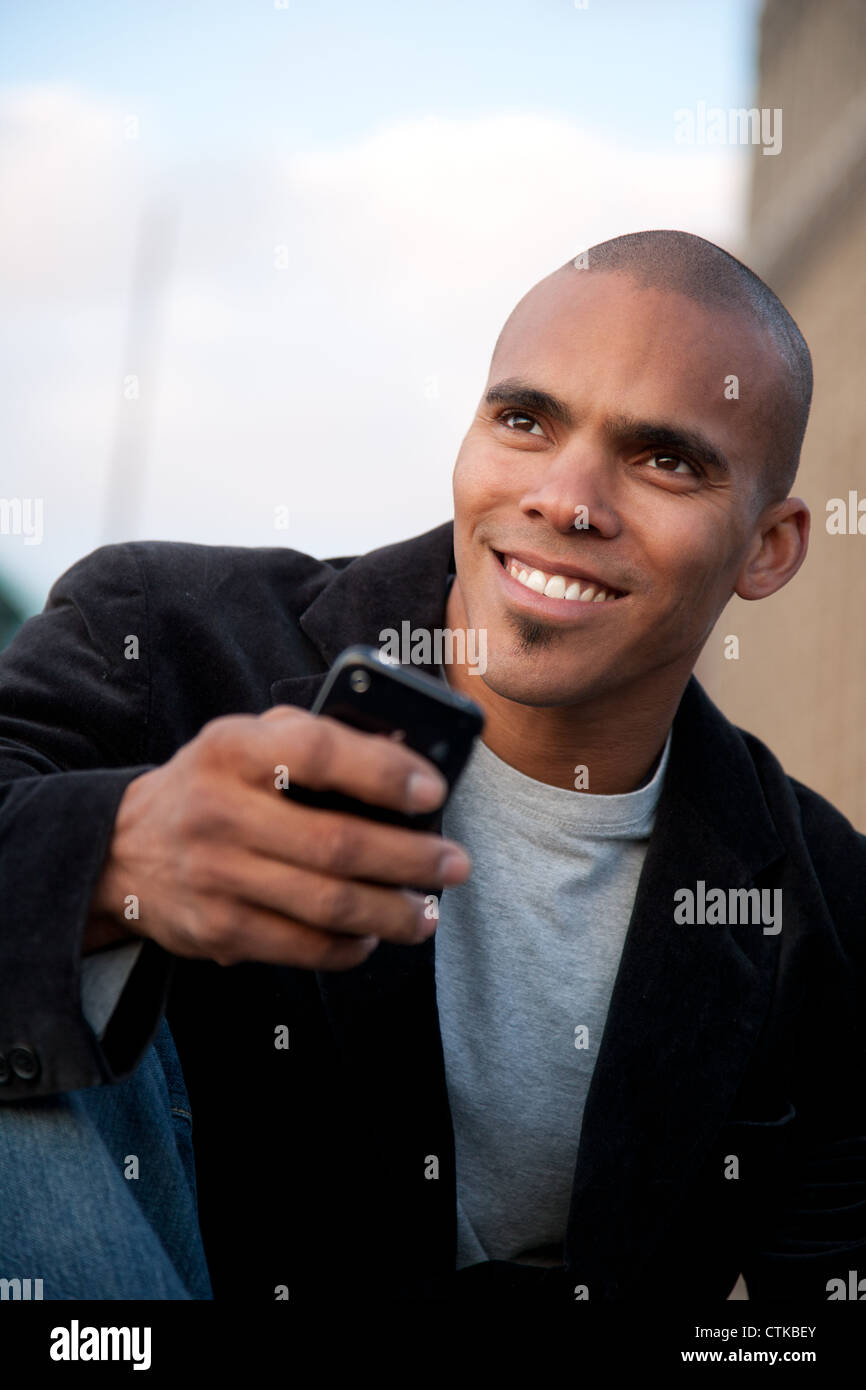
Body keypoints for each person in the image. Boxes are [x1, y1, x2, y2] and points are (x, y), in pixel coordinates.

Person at [1, 230, 864, 1305]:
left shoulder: (825, 907)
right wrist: (112, 859)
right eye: (524, 420)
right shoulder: (159, 644)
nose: (565, 498)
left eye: (663, 459)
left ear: (767, 548)